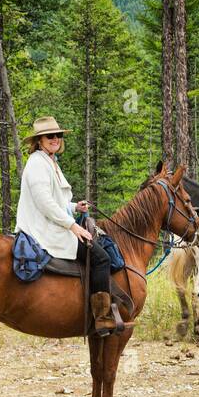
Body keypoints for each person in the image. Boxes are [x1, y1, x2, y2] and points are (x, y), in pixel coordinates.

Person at [14, 115, 118, 336]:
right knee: (101, 258)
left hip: (53, 223)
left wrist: (73, 208)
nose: (55, 139)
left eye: (58, 135)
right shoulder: (37, 164)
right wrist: (73, 226)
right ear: (39, 140)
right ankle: (101, 318)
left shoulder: (49, 161)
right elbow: (44, 203)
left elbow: (56, 202)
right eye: (49, 136)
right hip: (44, 229)